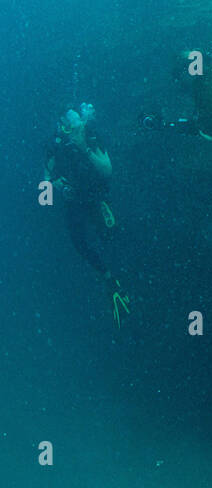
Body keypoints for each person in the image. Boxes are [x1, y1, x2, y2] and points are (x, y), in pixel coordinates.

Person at [44, 104, 130, 328]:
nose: (71, 128)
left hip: (94, 196)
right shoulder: (56, 144)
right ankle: (109, 278)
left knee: (110, 237)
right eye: (66, 124)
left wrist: (85, 149)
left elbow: (107, 170)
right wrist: (55, 184)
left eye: (75, 122)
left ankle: (123, 279)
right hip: (74, 199)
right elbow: (46, 176)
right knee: (78, 242)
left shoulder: (91, 135)